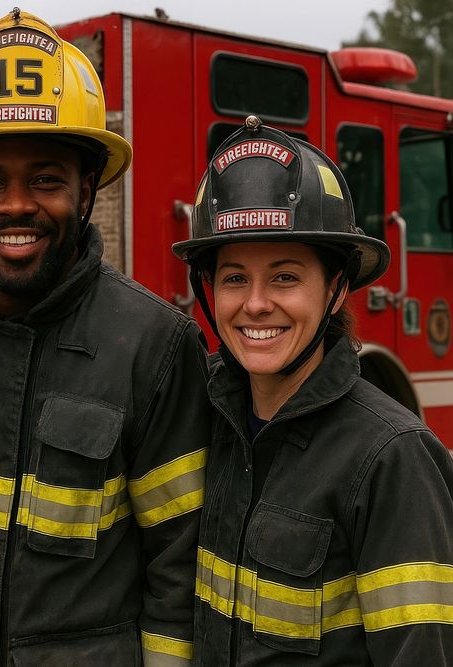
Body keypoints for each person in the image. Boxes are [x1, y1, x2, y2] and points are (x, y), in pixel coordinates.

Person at [0, 9, 210, 665]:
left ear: (88, 184)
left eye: (45, 178)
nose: (16, 205)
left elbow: (178, 571)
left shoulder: (154, 344)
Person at [172, 115, 453, 664]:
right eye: (234, 278)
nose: (255, 304)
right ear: (208, 291)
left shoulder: (392, 458)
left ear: (336, 287)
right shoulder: (203, 424)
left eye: (285, 277)